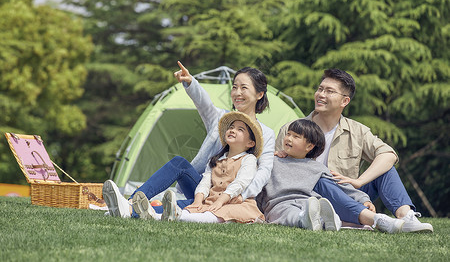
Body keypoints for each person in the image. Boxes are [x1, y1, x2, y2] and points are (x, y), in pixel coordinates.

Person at [102, 61, 275, 218]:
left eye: (244, 88)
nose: (237, 93)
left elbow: (263, 173)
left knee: (179, 207)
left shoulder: (265, 134)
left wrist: (241, 195)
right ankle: (130, 203)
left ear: (259, 94)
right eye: (235, 87)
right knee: (179, 163)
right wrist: (190, 83)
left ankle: (131, 212)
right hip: (205, 187)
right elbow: (204, 104)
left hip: (235, 195)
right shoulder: (222, 120)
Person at [275, 69, 433, 233]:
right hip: (308, 199)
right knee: (319, 180)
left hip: (348, 194)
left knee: (385, 170)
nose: (321, 94)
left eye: (329, 91)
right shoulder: (291, 129)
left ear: (345, 101)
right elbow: (275, 171)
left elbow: (389, 155)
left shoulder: (357, 131)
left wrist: (360, 181)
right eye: (320, 89)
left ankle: (407, 217)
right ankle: (373, 219)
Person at [261, 119, 406, 233]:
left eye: (296, 136)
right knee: (290, 214)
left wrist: (363, 199)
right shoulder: (272, 160)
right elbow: (258, 182)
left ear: (309, 147)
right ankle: (310, 220)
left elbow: (340, 185)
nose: (289, 139)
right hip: (279, 204)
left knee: (315, 203)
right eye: (288, 134)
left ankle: (324, 219)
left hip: (308, 201)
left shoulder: (316, 167)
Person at [139, 111, 265, 223]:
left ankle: (168, 215)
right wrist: (198, 200)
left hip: (235, 203)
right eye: (231, 127)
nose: (232, 130)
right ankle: (145, 209)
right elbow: (205, 182)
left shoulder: (249, 159)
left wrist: (220, 202)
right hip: (210, 201)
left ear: (250, 143)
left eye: (240, 130)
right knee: (196, 209)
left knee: (215, 214)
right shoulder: (215, 160)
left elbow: (240, 183)